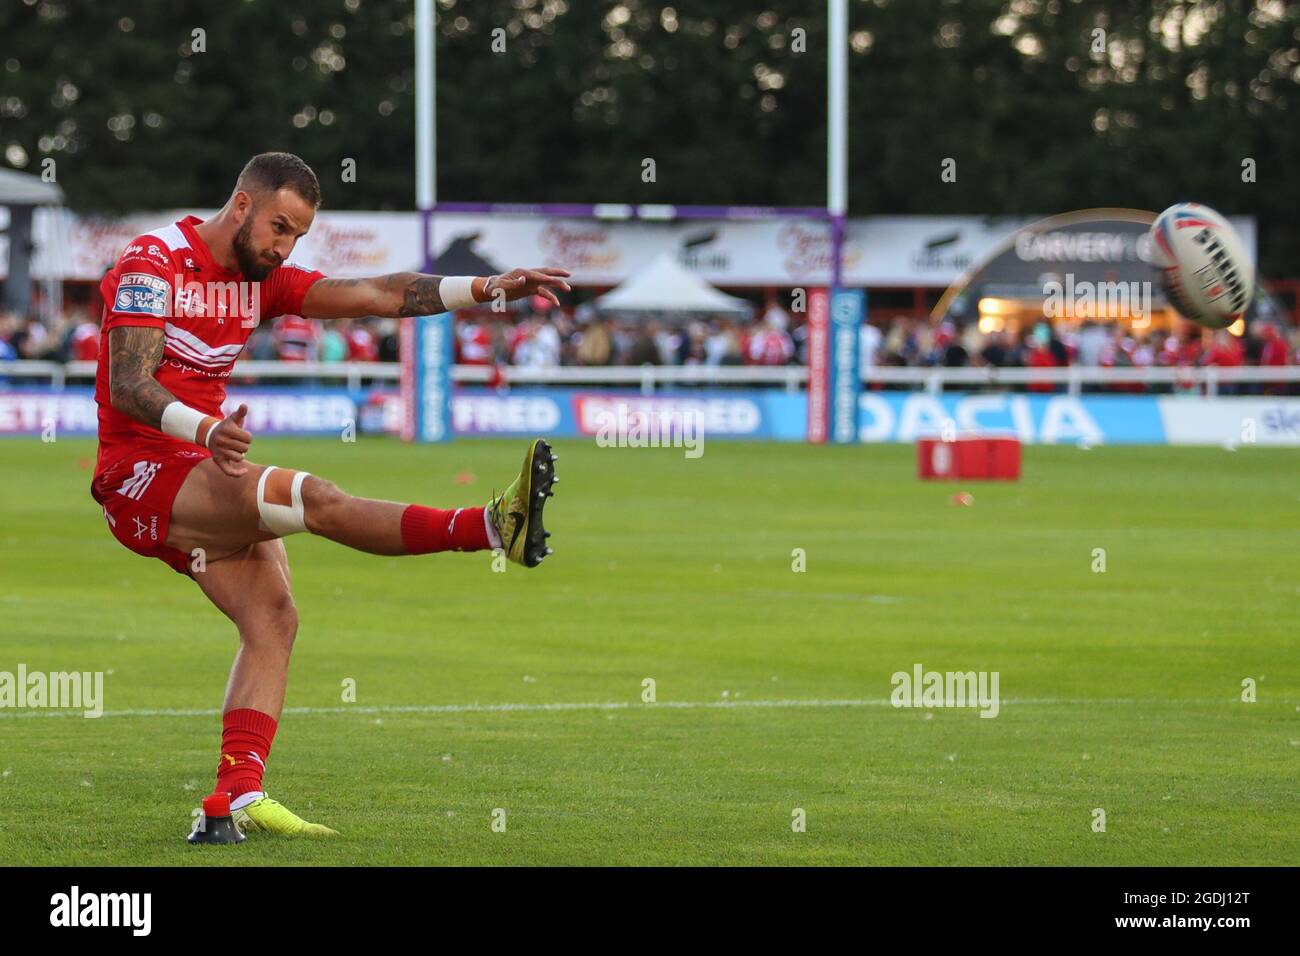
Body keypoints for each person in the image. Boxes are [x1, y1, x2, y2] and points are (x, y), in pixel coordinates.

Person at [89, 152, 570, 837]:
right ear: (243, 205)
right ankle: (492, 527)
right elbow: (128, 385)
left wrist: (489, 287)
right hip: (138, 475)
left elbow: (378, 293)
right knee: (311, 497)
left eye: (297, 237)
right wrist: (204, 427)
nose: (285, 247)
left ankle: (232, 801)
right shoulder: (153, 260)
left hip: (202, 471)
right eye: (280, 228)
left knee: (274, 619)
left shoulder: (263, 278)